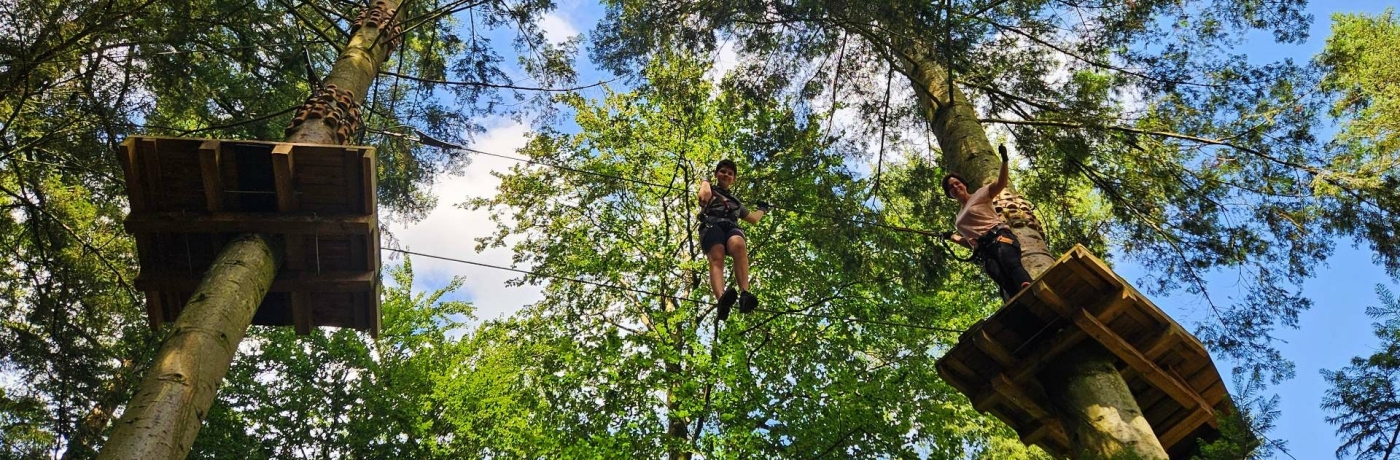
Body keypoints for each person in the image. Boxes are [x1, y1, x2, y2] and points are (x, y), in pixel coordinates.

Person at [941, 145, 1033, 300]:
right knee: (1002, 280)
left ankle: (1028, 287)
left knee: (1010, 263)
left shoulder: (980, 194)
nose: (955, 187)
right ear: (949, 194)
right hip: (984, 250)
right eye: (951, 187)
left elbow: (1001, 183)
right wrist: (951, 237)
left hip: (999, 237)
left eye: (957, 183)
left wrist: (1004, 160)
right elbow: (970, 242)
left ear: (964, 184)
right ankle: (1021, 303)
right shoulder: (959, 219)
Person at [699, 159, 769, 320]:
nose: (726, 175)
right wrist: (705, 181)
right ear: (716, 174)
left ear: (734, 179)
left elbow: (752, 219)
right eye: (723, 172)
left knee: (739, 245)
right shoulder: (709, 189)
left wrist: (763, 210)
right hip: (712, 224)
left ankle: (745, 293)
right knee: (717, 255)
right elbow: (703, 197)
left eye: (730, 174)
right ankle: (721, 299)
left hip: (731, 226)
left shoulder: (736, 202)